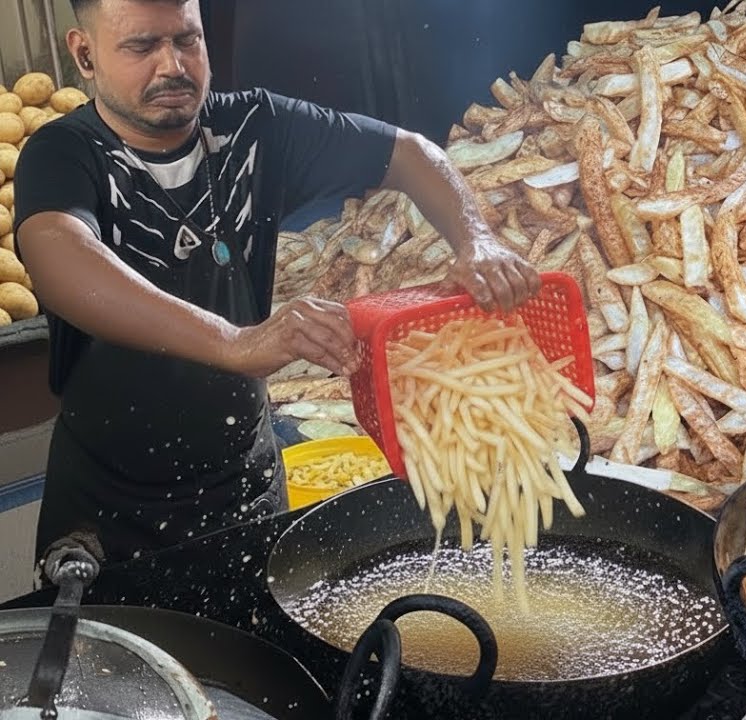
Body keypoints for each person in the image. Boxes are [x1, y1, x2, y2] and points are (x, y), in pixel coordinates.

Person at [14, 0, 541, 569]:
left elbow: (410, 153)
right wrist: (235, 342)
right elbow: (59, 255)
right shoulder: (63, 152)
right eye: (141, 47)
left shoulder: (257, 126)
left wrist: (476, 241)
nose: (172, 66)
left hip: (248, 489)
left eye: (187, 40)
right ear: (84, 55)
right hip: (111, 512)